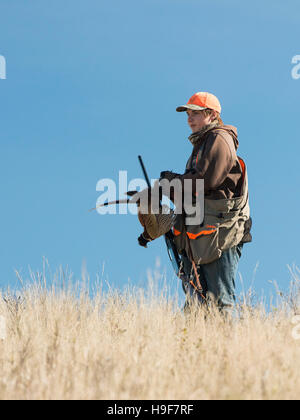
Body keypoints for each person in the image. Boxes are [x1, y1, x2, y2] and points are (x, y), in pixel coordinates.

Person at [159, 92, 252, 315]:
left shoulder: (219, 138)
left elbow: (207, 182)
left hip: (220, 235)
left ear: (211, 115)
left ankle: (230, 349)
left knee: (221, 302)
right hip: (202, 235)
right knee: (196, 305)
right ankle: (195, 348)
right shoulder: (202, 144)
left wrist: (175, 182)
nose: (189, 119)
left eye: (196, 114)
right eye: (188, 114)